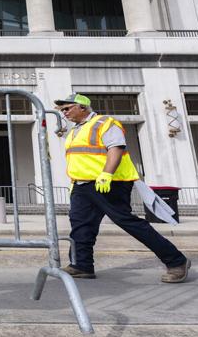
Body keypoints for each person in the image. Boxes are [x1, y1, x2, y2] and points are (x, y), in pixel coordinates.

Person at [52, 94, 189, 283]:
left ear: (82, 107)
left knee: (127, 221)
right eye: (63, 109)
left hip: (109, 183)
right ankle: (81, 265)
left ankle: (177, 261)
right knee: (81, 225)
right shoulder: (76, 130)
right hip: (82, 185)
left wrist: (107, 174)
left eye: (67, 108)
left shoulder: (105, 123)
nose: (64, 112)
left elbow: (115, 148)